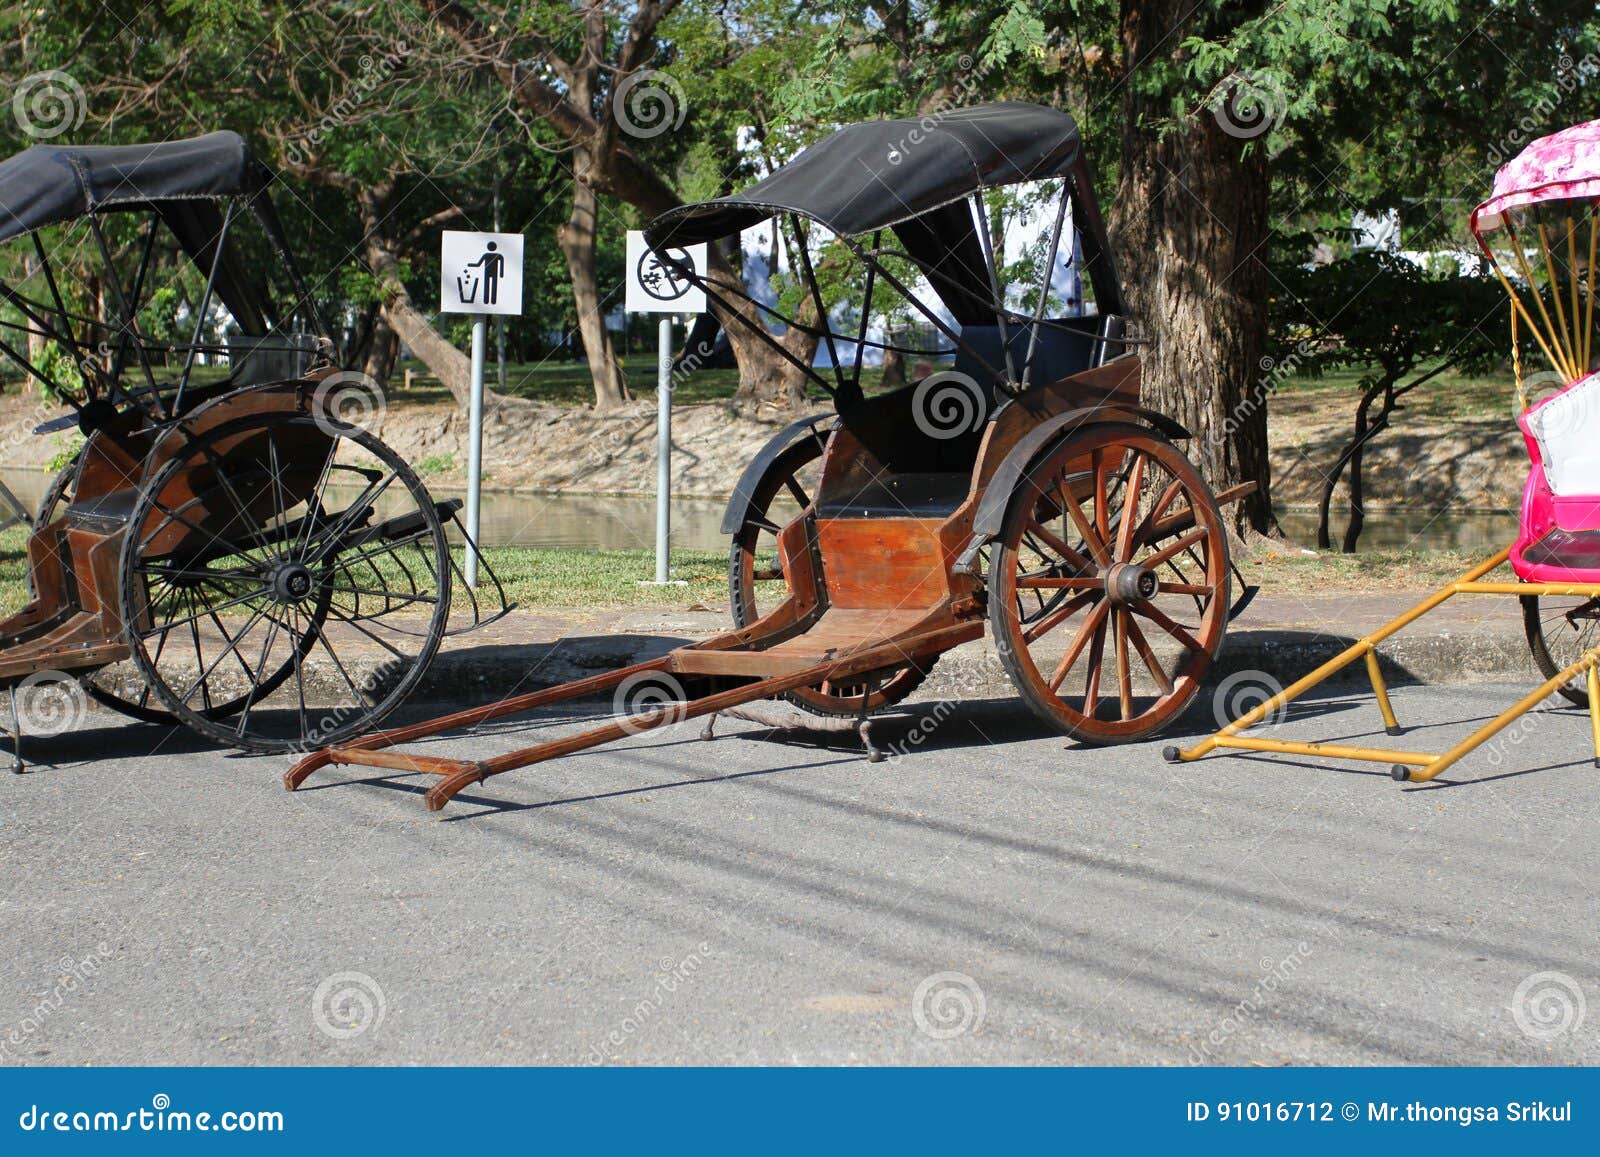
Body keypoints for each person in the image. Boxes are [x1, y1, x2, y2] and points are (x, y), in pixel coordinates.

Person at [463, 241, 505, 306]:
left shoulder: (488, 255)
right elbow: (478, 264)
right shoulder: (497, 255)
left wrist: (501, 273)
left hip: (490, 272)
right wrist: (501, 273)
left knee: (489, 285)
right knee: (490, 285)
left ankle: (489, 300)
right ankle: (489, 300)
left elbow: (478, 264)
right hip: (491, 272)